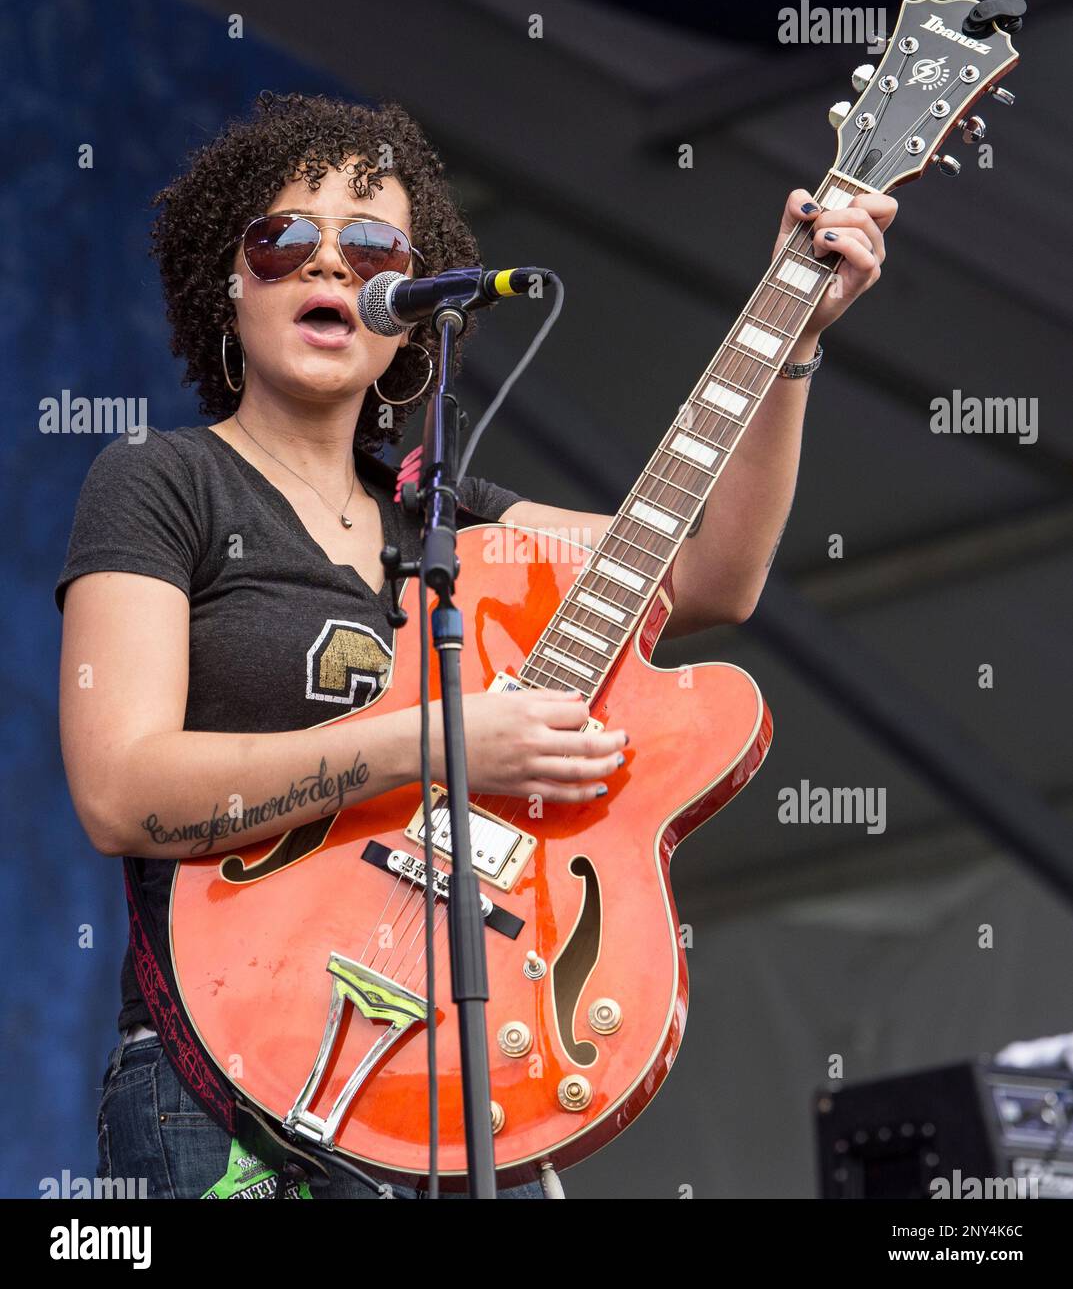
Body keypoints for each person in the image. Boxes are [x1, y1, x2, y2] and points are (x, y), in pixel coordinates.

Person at [56, 91, 895, 1199]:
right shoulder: (160, 482)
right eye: (282, 241)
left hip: (460, 1090)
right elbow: (123, 791)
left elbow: (705, 571)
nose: (329, 268)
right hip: (220, 1072)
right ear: (229, 277)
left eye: (369, 247)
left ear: (413, 303)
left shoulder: (447, 515)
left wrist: (793, 340)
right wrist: (438, 744)